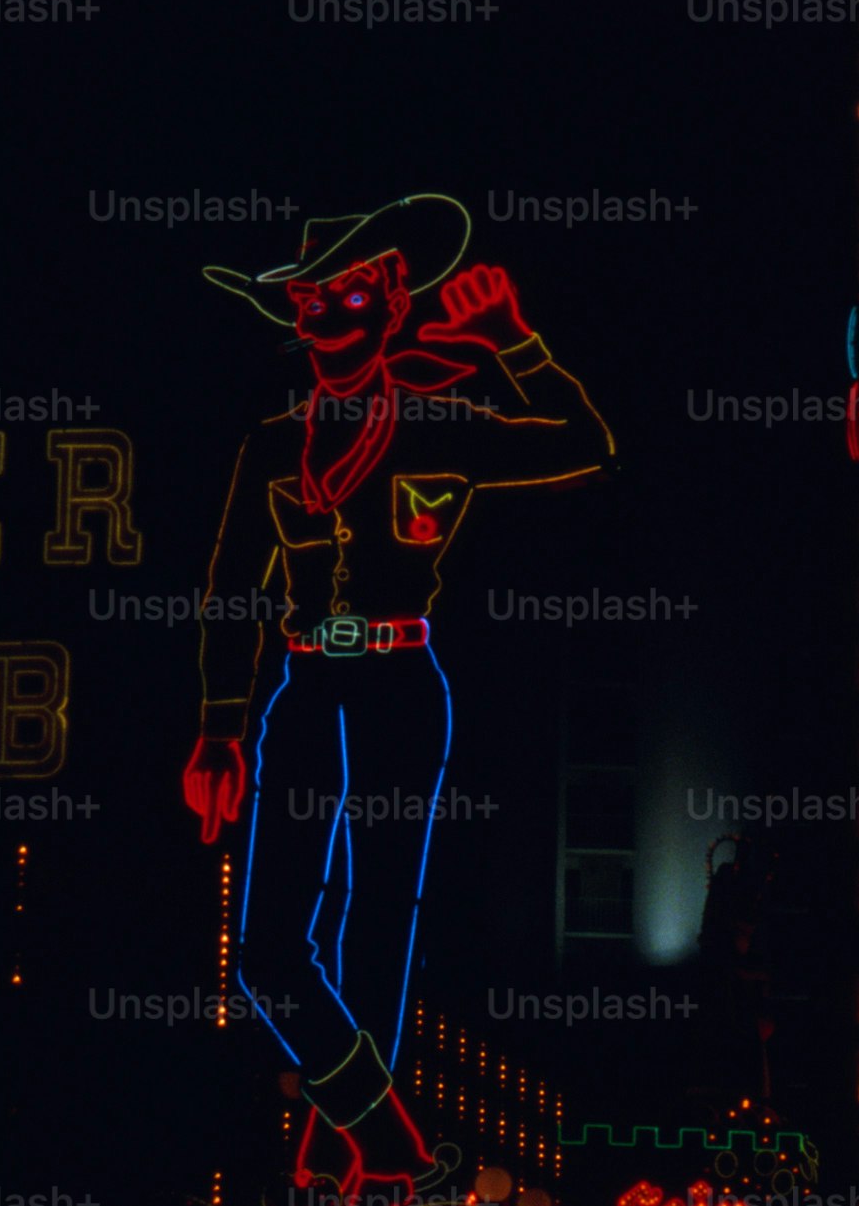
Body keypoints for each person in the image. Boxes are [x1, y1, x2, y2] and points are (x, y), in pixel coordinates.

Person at [182, 196, 615, 1199]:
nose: (334, 306)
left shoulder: (439, 423)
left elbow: (586, 440)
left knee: (381, 922)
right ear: (293, 311)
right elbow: (228, 591)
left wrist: (513, 338)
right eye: (314, 292)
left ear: (390, 301)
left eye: (356, 286)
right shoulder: (270, 444)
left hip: (400, 682)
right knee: (269, 947)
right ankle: (388, 1138)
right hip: (303, 684)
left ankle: (350, 1159)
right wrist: (218, 726)